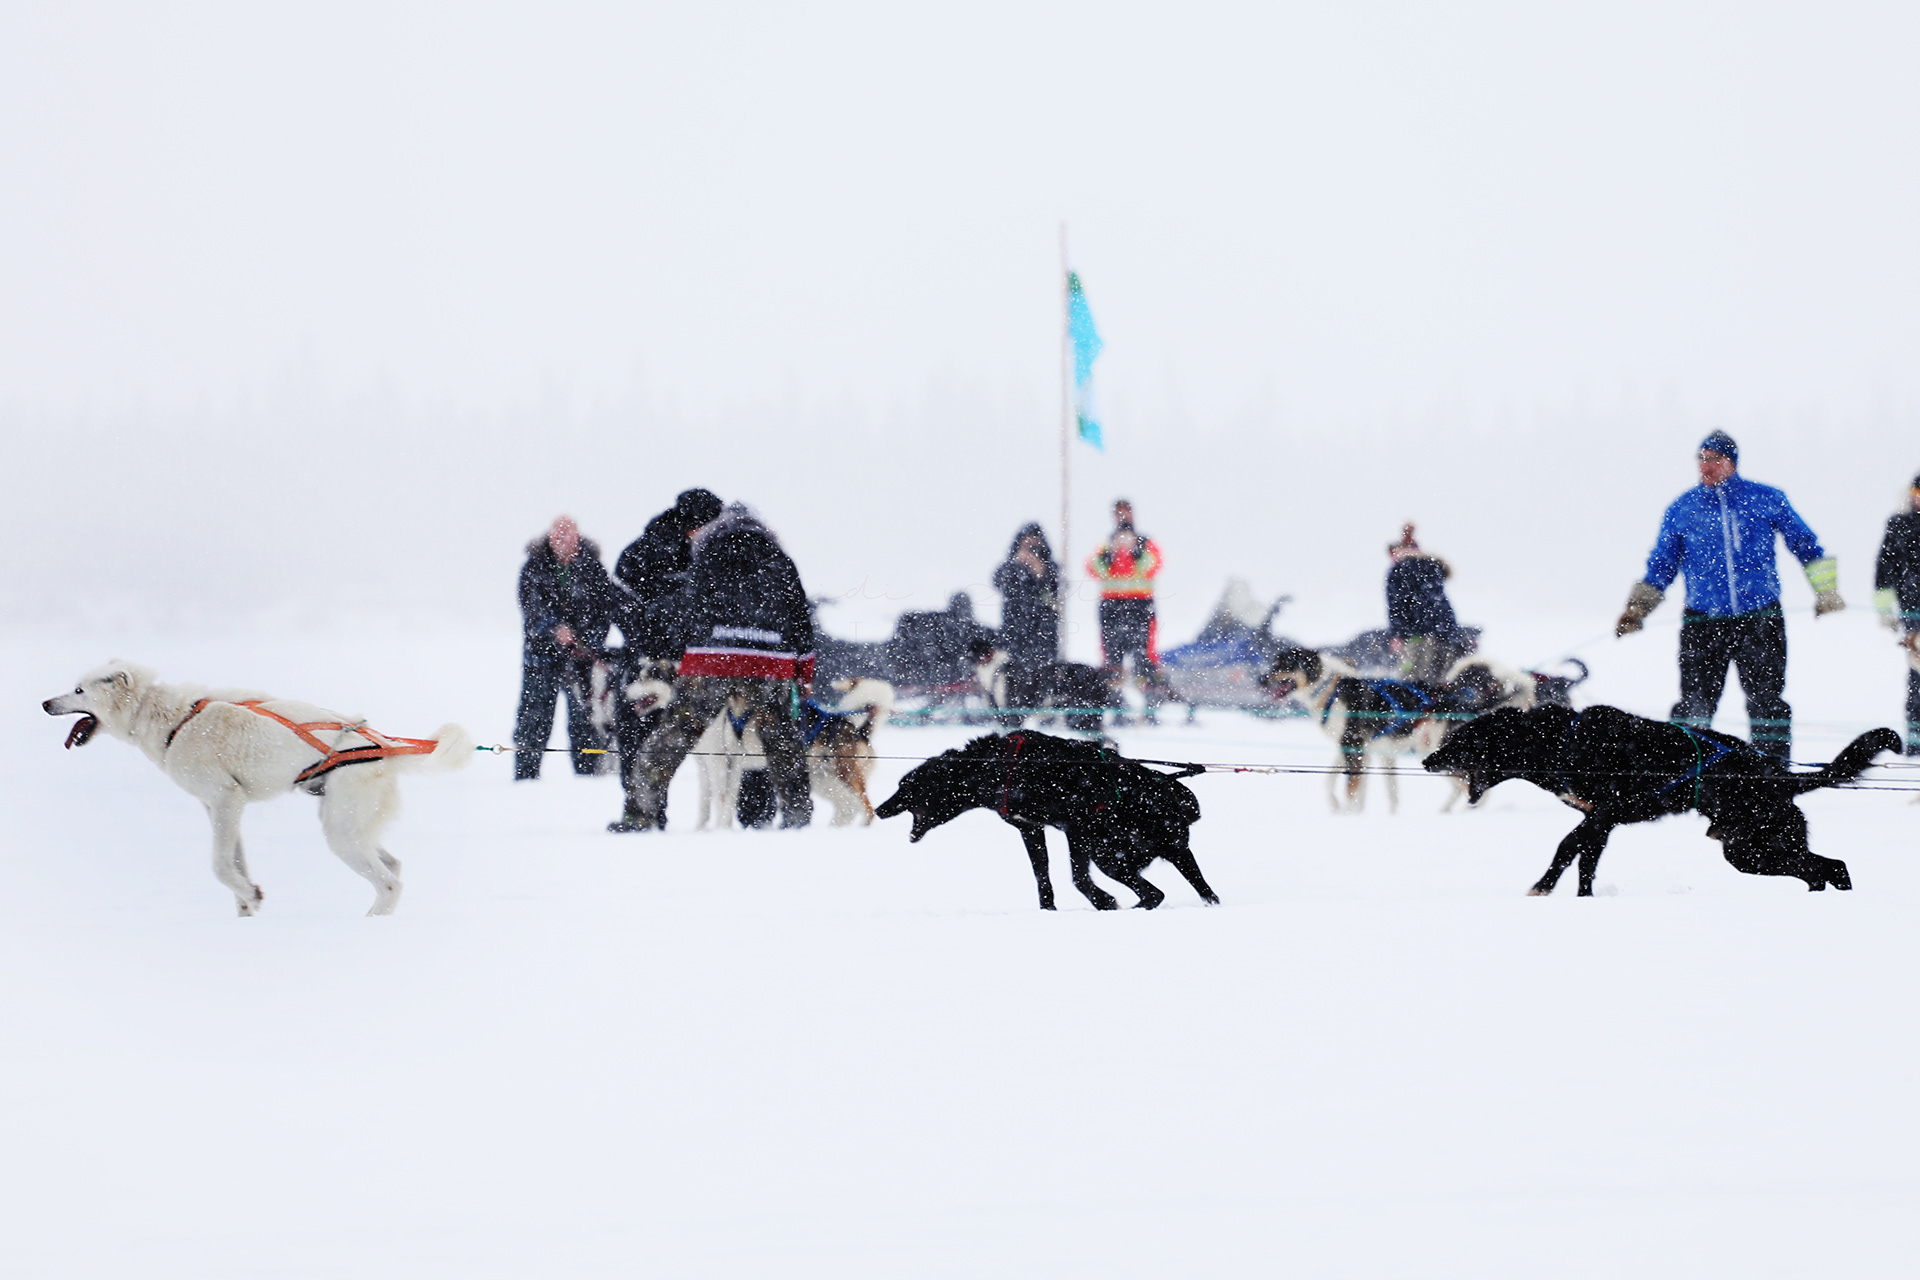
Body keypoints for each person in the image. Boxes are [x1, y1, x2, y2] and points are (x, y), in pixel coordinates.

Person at [1616, 430, 1842, 761]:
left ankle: (1772, 771)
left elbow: (1804, 543)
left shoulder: (1766, 498)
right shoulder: (1683, 508)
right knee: (1695, 702)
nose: (1705, 467)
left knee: (1767, 701)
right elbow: (1662, 563)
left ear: (1731, 463)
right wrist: (1637, 609)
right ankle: (1683, 770)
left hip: (1760, 618)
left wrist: (1826, 591)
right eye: (1701, 459)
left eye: (1714, 459)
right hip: (1703, 621)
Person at [612, 503, 816, 832]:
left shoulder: (708, 554)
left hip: (712, 656)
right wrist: (804, 672)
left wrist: (682, 648)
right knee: (781, 740)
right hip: (768, 659)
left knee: (672, 736)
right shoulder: (779, 560)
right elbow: (800, 621)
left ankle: (639, 814)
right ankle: (797, 816)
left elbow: (689, 607)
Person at [608, 489, 724, 777]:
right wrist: (653, 638)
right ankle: (641, 812)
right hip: (650, 661)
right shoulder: (643, 553)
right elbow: (619, 602)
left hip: (703, 661)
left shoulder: (722, 552)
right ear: (691, 524)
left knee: (727, 744)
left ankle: (753, 818)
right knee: (639, 738)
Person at [514, 515, 620, 780]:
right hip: (540, 658)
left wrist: (585, 642)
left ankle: (587, 777)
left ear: (577, 536)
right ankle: (525, 778)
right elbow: (532, 609)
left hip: (582, 661)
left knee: (585, 720)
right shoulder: (533, 567)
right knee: (533, 720)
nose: (561, 538)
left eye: (567, 532)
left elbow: (603, 612)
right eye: (557, 533)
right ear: (549, 537)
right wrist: (554, 629)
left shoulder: (594, 569)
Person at [1088, 499, 1163, 689]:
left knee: (1144, 657)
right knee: (1112, 660)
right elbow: (1093, 568)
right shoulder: (1106, 544)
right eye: (1119, 513)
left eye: (1126, 512)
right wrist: (1111, 554)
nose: (1123, 517)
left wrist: (1135, 551)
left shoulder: (1146, 543)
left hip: (1140, 605)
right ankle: (1116, 702)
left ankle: (1149, 702)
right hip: (1112, 606)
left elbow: (1153, 565)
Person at [1384, 523, 1471, 685]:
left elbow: (1397, 606)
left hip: (1416, 635)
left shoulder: (1399, 570)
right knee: (1440, 683)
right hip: (1445, 632)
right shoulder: (1431, 567)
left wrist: (1399, 634)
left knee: (1413, 683)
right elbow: (1437, 601)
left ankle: (1420, 707)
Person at [1873, 472, 1920, 755]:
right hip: (1914, 615)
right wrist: (1885, 611)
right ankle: (1916, 745)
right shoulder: (1899, 525)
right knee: (1918, 678)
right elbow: (1884, 570)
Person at [992, 523, 1062, 712]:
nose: (1031, 544)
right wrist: (1017, 565)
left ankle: (1043, 709)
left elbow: (1055, 593)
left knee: (1043, 675)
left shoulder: (1050, 567)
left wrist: (1040, 574)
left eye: (1035, 539)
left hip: (1043, 631)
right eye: (1027, 539)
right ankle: (1014, 708)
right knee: (1015, 675)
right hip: (1015, 631)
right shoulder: (1010, 566)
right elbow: (998, 581)